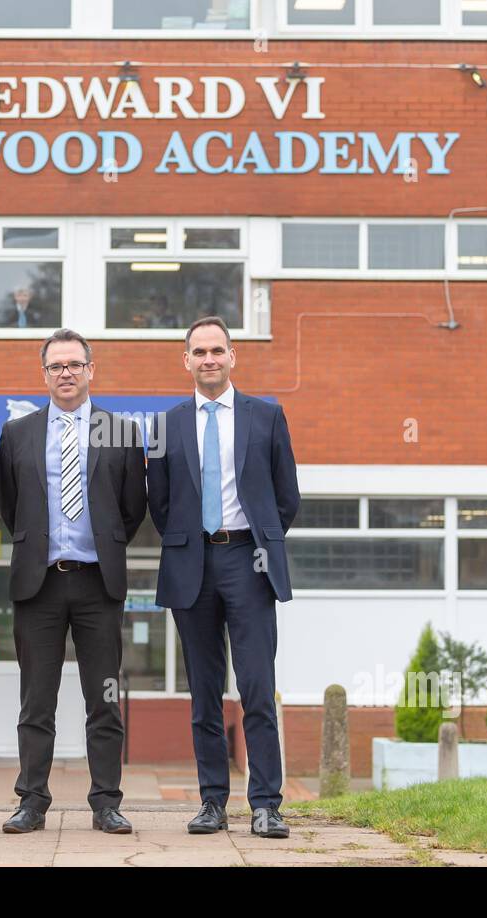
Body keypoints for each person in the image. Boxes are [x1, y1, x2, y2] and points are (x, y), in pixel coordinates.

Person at [146, 315, 300, 838]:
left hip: (249, 562)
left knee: (257, 687)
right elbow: (160, 504)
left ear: (233, 357)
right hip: (193, 564)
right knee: (205, 691)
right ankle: (212, 802)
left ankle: (266, 805)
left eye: (217, 350)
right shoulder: (166, 424)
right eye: (199, 352)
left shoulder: (267, 416)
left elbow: (286, 498)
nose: (209, 359)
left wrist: (257, 543)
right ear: (185, 360)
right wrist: (193, 541)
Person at [0, 328, 147, 834]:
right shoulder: (18, 433)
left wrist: (100, 546)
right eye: (56, 366)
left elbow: (130, 510)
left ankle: (106, 802)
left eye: (74, 365)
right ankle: (31, 802)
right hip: (38, 586)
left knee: (103, 700)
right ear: (44, 374)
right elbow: (9, 504)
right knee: (36, 700)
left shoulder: (121, 431)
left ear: (91, 370)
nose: (66, 373)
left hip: (96, 586)